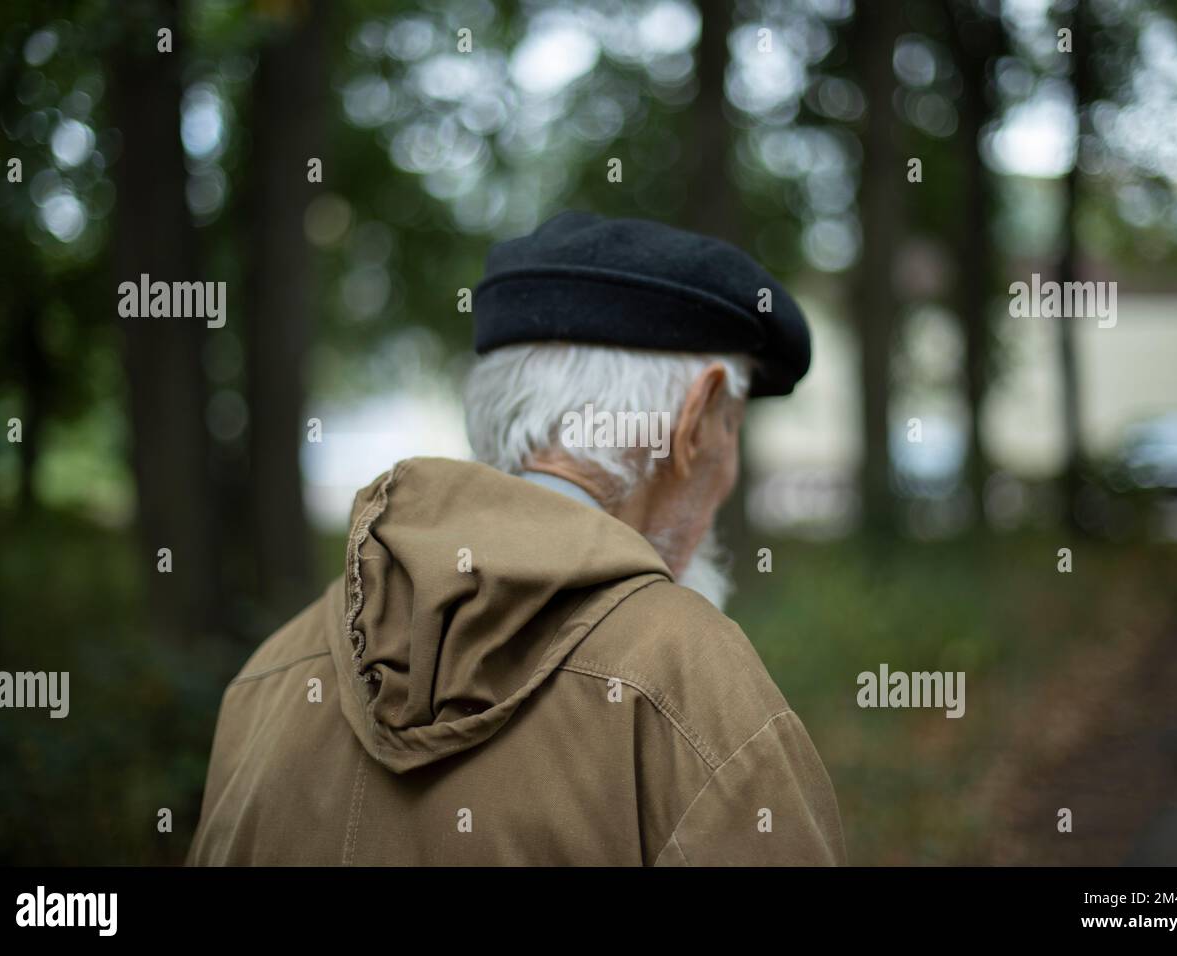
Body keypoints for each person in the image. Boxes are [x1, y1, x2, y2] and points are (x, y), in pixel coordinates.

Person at [188, 211, 845, 866]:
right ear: (694, 422)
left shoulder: (273, 673)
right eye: (731, 426)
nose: (726, 471)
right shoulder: (688, 680)